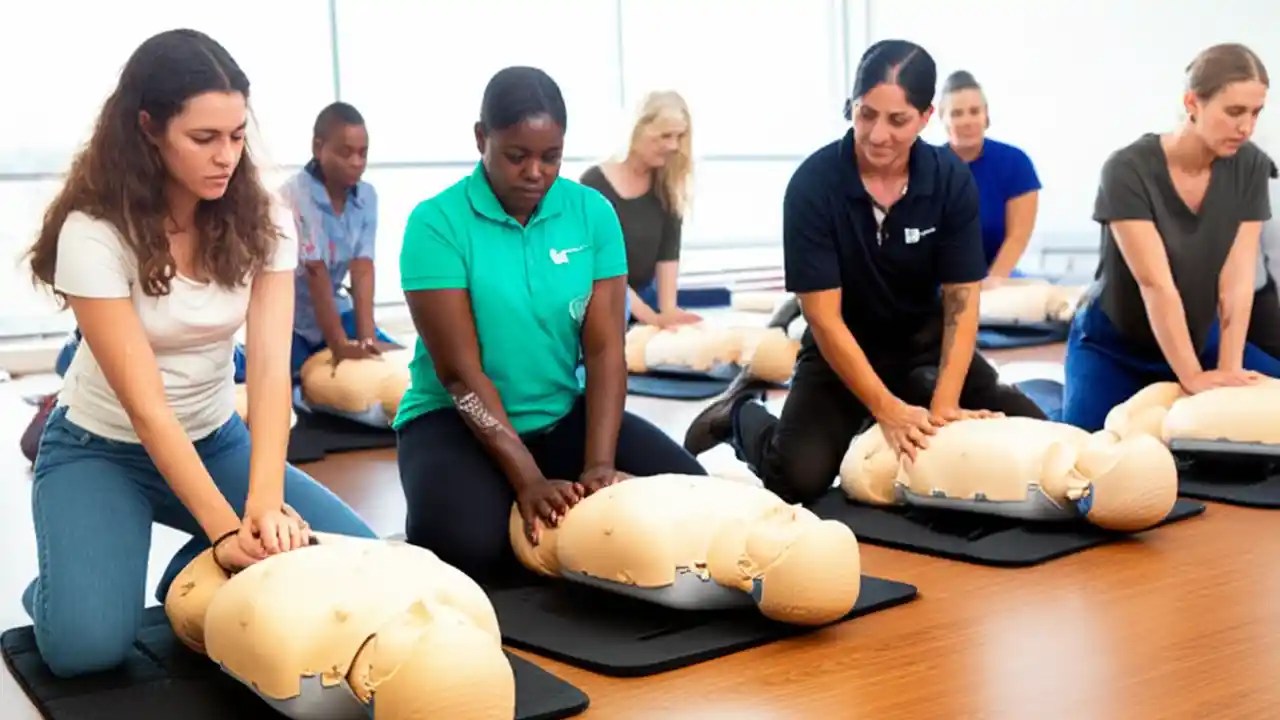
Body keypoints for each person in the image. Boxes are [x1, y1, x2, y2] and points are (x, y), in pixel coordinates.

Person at [20, 29, 377, 679]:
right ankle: (69, 590)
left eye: (237, 136)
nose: (227, 157)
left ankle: (183, 572)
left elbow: (269, 374)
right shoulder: (93, 232)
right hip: (102, 449)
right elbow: (148, 408)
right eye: (204, 139)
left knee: (356, 553)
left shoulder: (263, 219)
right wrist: (225, 531)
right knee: (86, 650)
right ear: (149, 129)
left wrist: (263, 507)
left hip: (215, 441)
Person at [681, 40, 1045, 506]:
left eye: (898, 120)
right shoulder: (814, 185)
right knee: (797, 478)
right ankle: (737, 416)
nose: (877, 134)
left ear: (926, 117)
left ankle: (916, 394)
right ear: (851, 105)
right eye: (866, 113)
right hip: (841, 352)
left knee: (1034, 430)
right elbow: (824, 319)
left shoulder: (950, 179)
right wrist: (887, 409)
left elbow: (961, 301)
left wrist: (946, 405)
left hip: (924, 345)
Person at [392, 66, 707, 585]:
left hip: (559, 416)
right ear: (481, 139)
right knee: (468, 548)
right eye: (517, 155)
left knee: (693, 492)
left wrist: (600, 467)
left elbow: (606, 349)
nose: (535, 171)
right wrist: (529, 480)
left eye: (551, 156)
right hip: (454, 424)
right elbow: (458, 373)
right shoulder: (435, 224)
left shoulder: (591, 213)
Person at [1061, 43, 1280, 432]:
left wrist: (1228, 374)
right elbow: (1156, 284)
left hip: (1199, 338)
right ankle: (1041, 394)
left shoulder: (1251, 166)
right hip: (1114, 345)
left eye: (1255, 112)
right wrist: (1193, 379)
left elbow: (1237, 281)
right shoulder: (1127, 170)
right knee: (1086, 451)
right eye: (1233, 112)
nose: (1246, 127)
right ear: (1192, 102)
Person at [280, 101, 399, 378]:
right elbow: (315, 271)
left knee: (389, 359)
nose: (356, 162)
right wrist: (339, 345)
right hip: (293, 321)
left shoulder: (367, 197)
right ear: (318, 148)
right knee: (294, 383)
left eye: (363, 153)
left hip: (337, 311)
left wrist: (366, 337)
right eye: (345, 153)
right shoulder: (295, 195)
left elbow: (362, 267)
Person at [580, 91, 701, 327]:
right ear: (638, 130)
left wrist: (668, 312)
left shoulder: (667, 187)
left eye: (679, 137)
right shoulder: (593, 185)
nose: (673, 146)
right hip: (600, 297)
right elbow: (601, 266)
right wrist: (651, 318)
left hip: (646, 296)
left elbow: (668, 254)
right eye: (665, 136)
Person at [937, 70, 1042, 284]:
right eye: (957, 113)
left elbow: (1018, 235)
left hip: (997, 277)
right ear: (942, 118)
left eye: (974, 111)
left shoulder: (1015, 163)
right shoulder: (924, 167)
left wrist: (992, 283)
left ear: (986, 115)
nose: (967, 121)